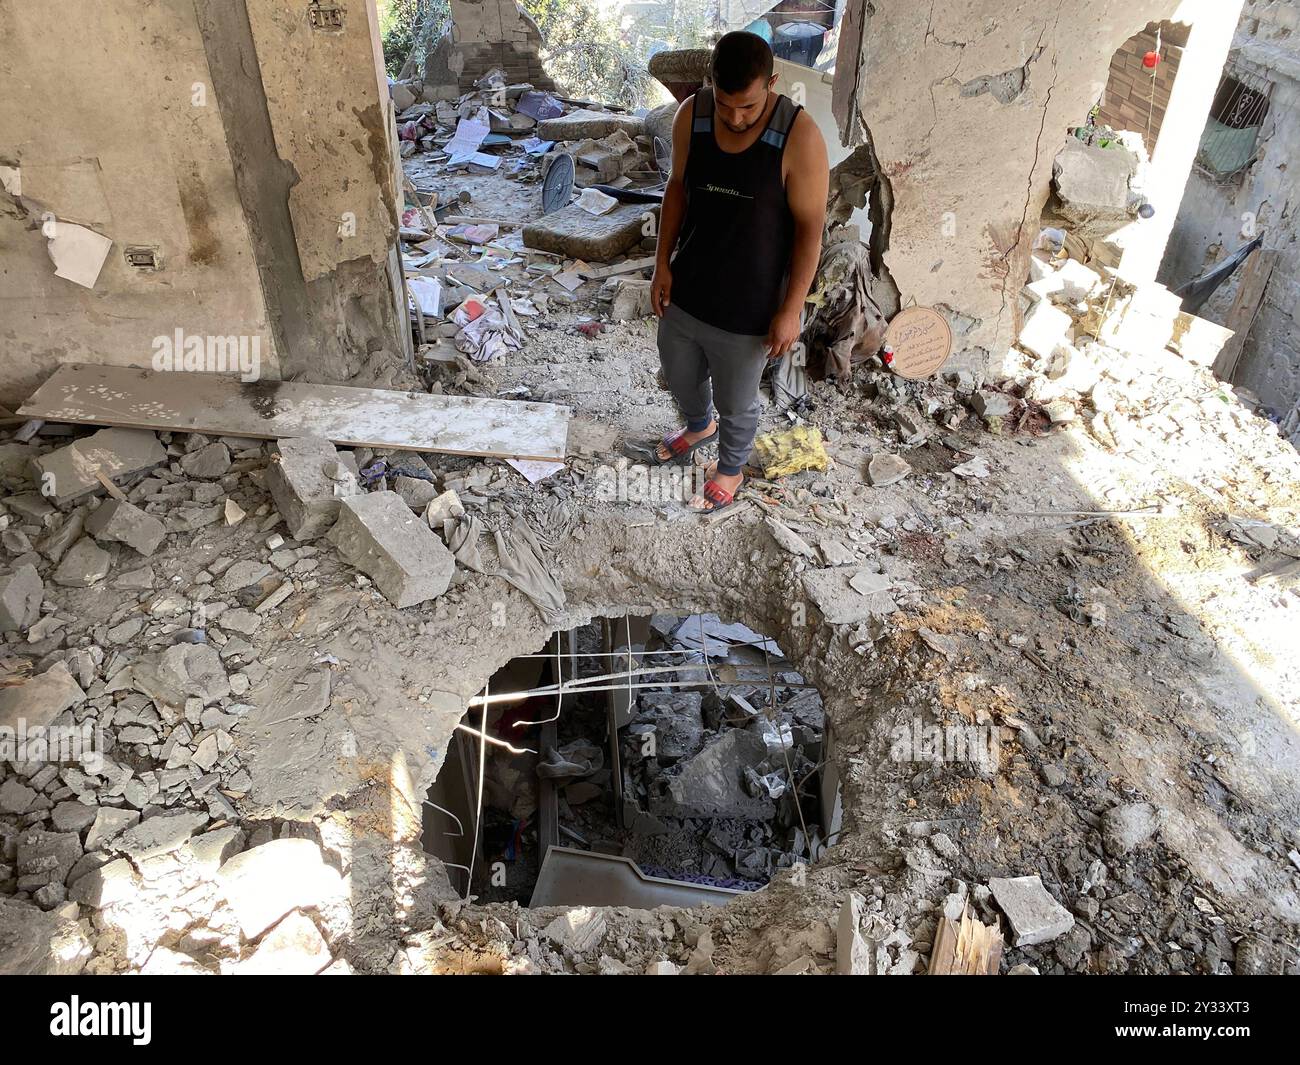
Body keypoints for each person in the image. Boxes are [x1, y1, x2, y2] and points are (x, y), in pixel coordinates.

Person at [650, 30, 829, 513]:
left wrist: (791, 309)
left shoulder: (800, 136)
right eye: (725, 103)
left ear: (772, 82)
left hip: (750, 301)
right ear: (710, 84)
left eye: (747, 107)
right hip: (690, 281)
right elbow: (677, 190)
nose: (734, 116)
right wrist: (660, 265)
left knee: (738, 398)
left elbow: (811, 229)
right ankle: (697, 425)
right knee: (678, 370)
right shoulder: (694, 114)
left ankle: (730, 467)